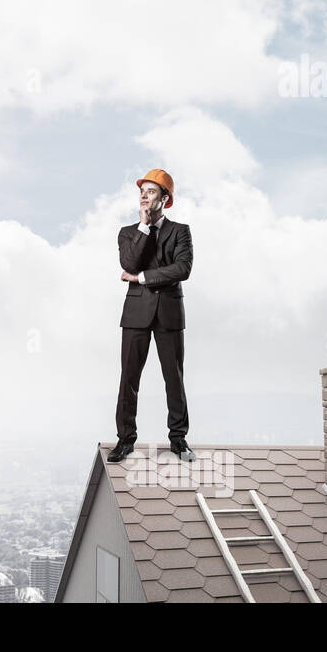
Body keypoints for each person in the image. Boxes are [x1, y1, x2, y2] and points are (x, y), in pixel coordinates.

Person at [109, 169, 195, 463]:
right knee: (129, 378)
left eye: (151, 192)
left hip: (169, 313)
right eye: (142, 192)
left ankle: (179, 440)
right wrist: (144, 229)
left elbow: (182, 269)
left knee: (174, 378)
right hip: (136, 314)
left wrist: (141, 278)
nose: (144, 196)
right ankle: (125, 440)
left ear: (165, 198)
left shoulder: (180, 231)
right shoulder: (128, 233)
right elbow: (129, 261)